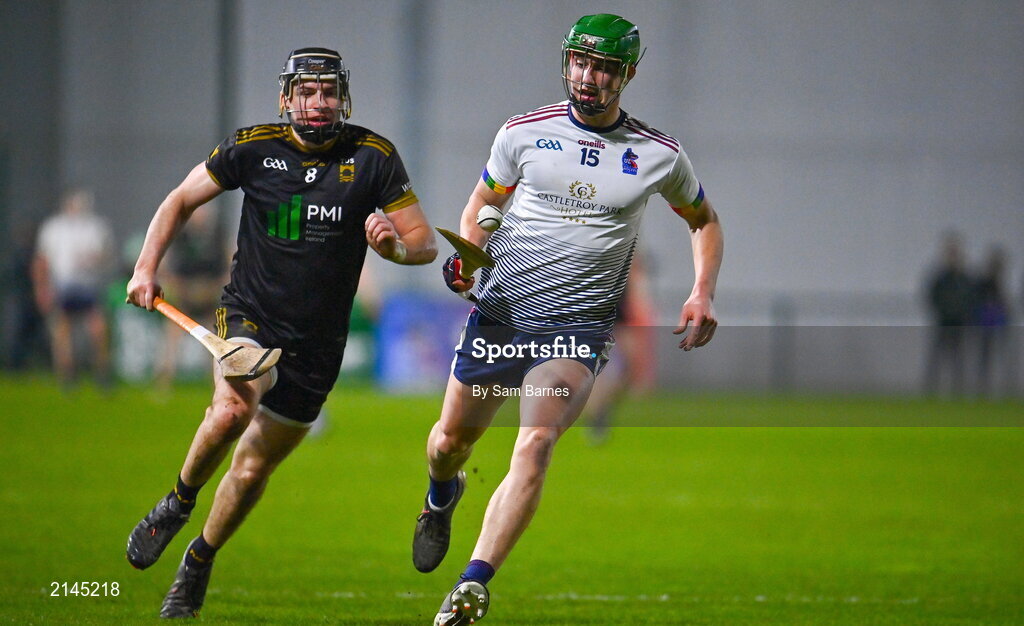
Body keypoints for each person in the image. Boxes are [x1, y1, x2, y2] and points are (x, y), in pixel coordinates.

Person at [412, 15, 723, 625]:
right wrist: (466, 256)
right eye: (581, 61)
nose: (589, 76)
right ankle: (441, 494)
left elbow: (704, 220)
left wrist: (702, 291)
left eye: (604, 66)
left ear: (627, 74)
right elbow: (482, 204)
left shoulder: (659, 155)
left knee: (535, 442)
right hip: (501, 312)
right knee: (449, 442)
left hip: (575, 330)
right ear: (566, 63)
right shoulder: (523, 134)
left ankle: (473, 583)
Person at [124, 47, 436, 618]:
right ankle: (177, 501)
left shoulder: (373, 157)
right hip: (251, 315)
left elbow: (425, 245)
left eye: (328, 93)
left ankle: (199, 560)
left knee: (252, 468)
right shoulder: (252, 146)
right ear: (287, 96)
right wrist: (147, 267)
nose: (318, 104)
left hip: (318, 345)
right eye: (307, 93)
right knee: (232, 410)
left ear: (343, 96)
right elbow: (179, 200)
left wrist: (394, 245)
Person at [31, 189, 114, 389]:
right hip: (63, 284)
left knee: (98, 330)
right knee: (62, 331)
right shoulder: (54, 228)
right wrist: (42, 289)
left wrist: (94, 260)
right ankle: (67, 376)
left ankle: (101, 372)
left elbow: (107, 256)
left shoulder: (96, 227)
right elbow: (41, 261)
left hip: (88, 285)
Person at [922, 232, 973, 396]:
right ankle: (931, 389)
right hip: (943, 321)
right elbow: (931, 296)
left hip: (958, 322)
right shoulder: (941, 277)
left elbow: (971, 297)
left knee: (958, 357)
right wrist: (942, 310)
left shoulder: (964, 278)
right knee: (937, 356)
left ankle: (958, 390)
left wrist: (964, 313)